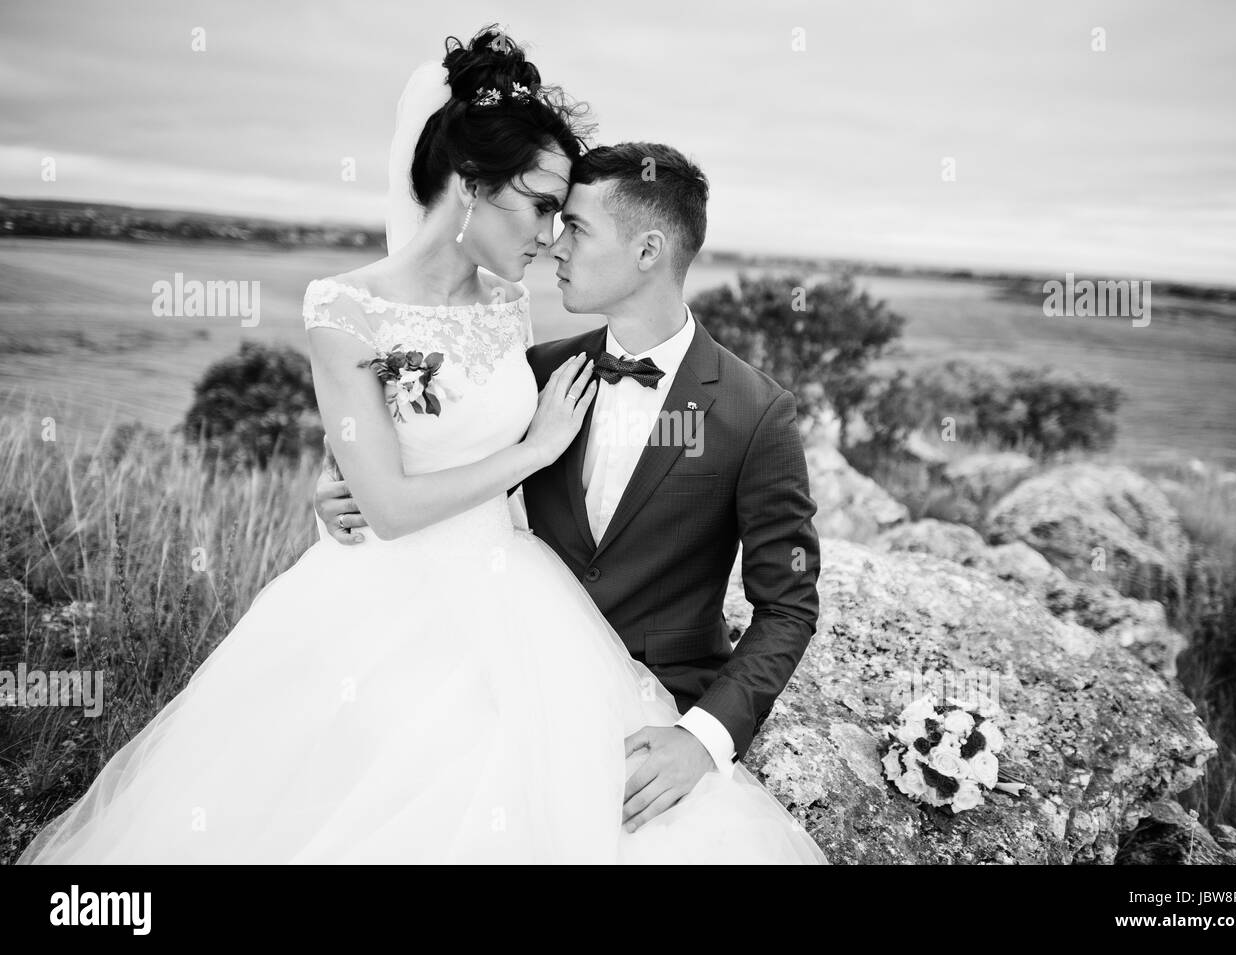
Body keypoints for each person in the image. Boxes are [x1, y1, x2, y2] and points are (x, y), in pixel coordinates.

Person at [18, 25, 826, 864]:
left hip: (599, 674)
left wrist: (705, 737)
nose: (551, 239)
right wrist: (346, 485)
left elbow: (789, 604)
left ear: (650, 250)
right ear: (473, 188)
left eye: (570, 222)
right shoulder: (531, 364)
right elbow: (419, 455)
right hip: (426, 623)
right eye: (548, 210)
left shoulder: (749, 413)